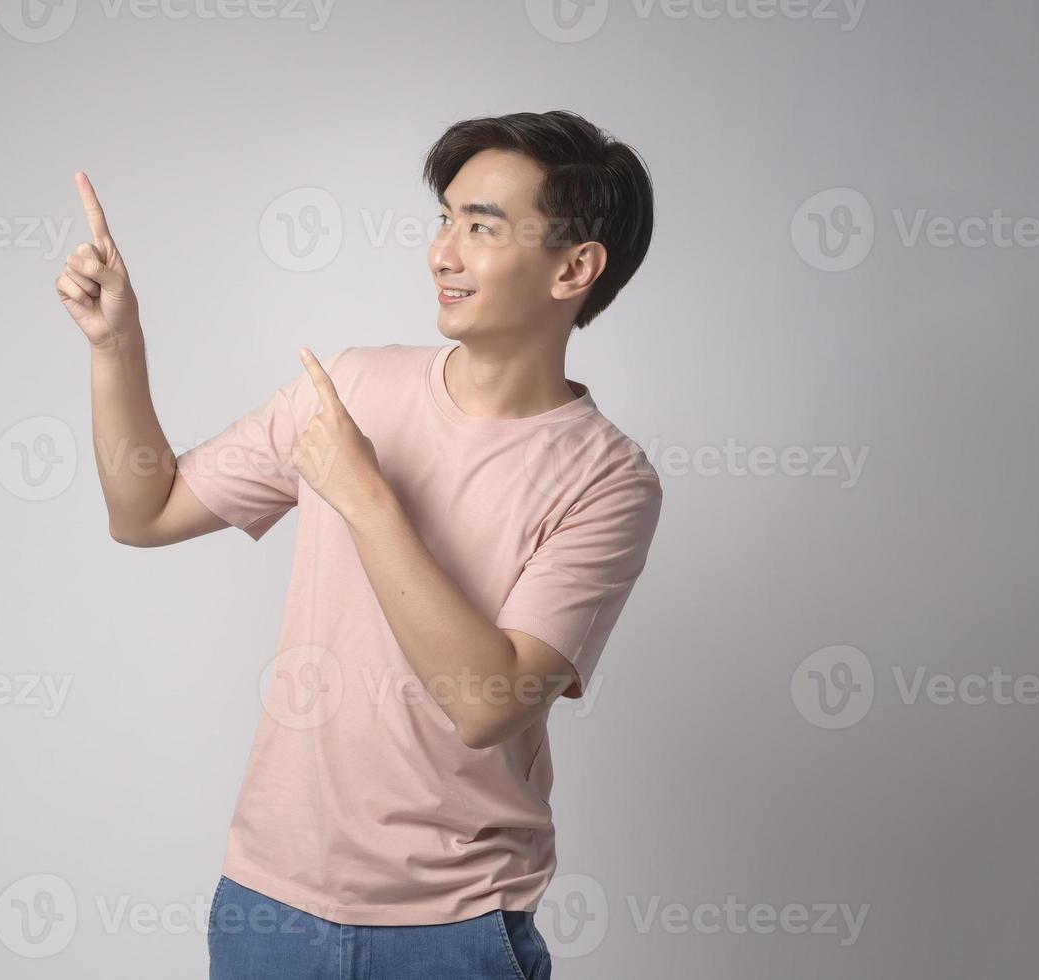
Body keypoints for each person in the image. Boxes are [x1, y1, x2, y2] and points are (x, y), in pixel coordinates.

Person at [54, 109, 661, 980]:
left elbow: (488, 701)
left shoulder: (606, 478)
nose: (442, 253)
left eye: (481, 226)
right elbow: (144, 510)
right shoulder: (351, 383)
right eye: (445, 218)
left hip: (455, 926)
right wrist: (118, 346)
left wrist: (363, 493)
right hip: (268, 907)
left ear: (574, 267)